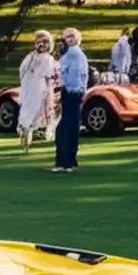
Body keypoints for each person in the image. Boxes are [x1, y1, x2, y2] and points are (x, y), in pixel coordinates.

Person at [17, 30, 61, 154]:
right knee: (28, 113)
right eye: (39, 42)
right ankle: (25, 139)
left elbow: (50, 74)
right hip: (31, 88)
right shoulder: (31, 57)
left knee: (33, 113)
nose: (42, 45)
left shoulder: (47, 59)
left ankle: (28, 138)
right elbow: (23, 70)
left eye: (45, 42)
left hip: (39, 88)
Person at [52, 28, 88, 173]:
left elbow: (64, 74)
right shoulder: (80, 55)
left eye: (72, 36)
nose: (69, 39)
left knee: (64, 129)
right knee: (72, 127)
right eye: (67, 37)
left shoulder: (72, 54)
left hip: (69, 92)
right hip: (77, 93)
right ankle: (71, 162)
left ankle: (63, 163)